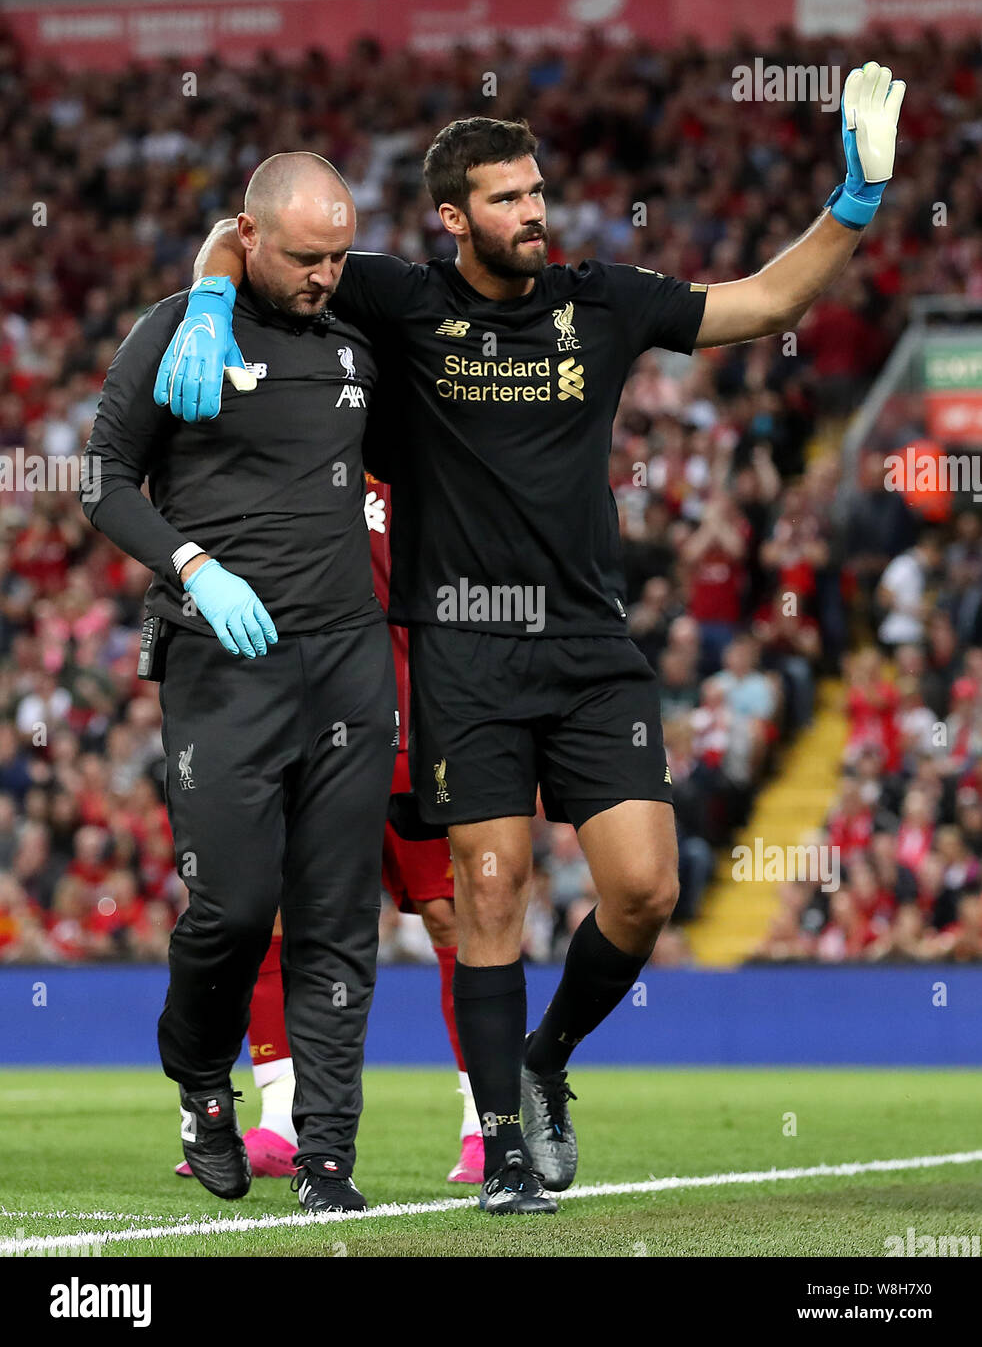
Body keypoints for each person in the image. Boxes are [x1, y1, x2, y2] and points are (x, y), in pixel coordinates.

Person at [155, 63, 905, 1215]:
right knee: (488, 891)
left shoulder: (601, 299)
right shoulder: (397, 299)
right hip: (459, 649)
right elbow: (244, 234)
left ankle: (546, 1055)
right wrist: (210, 300)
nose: (534, 212)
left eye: (537, 190)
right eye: (506, 198)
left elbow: (760, 304)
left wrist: (850, 206)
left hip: (589, 645)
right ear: (452, 216)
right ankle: (504, 1148)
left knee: (645, 891)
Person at [81, 157, 398, 1214]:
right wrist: (193, 567)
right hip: (224, 663)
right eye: (305, 257)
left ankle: (326, 1159)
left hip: (348, 660)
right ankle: (203, 1087)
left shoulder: (359, 331)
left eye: (339, 255)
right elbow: (105, 482)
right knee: (232, 906)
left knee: (339, 916)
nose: (324, 276)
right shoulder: (179, 326)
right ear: (249, 238)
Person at [174, 472, 485, 1188]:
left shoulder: (421, 462)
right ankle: (280, 1122)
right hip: (298, 720)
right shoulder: (291, 451)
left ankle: (484, 1121)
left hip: (412, 720)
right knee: (268, 913)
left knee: (451, 915)